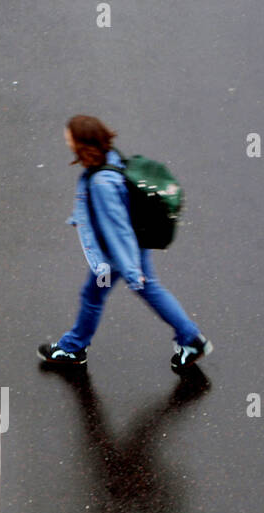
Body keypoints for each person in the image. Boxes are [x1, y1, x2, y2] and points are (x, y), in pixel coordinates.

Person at [39, 115, 211, 371]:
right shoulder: (108, 157)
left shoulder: (101, 183)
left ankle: (74, 348)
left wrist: (130, 270)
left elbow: (116, 229)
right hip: (131, 245)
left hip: (115, 257)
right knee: (137, 289)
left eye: (69, 138)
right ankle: (190, 338)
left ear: (81, 143)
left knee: (100, 294)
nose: (66, 140)